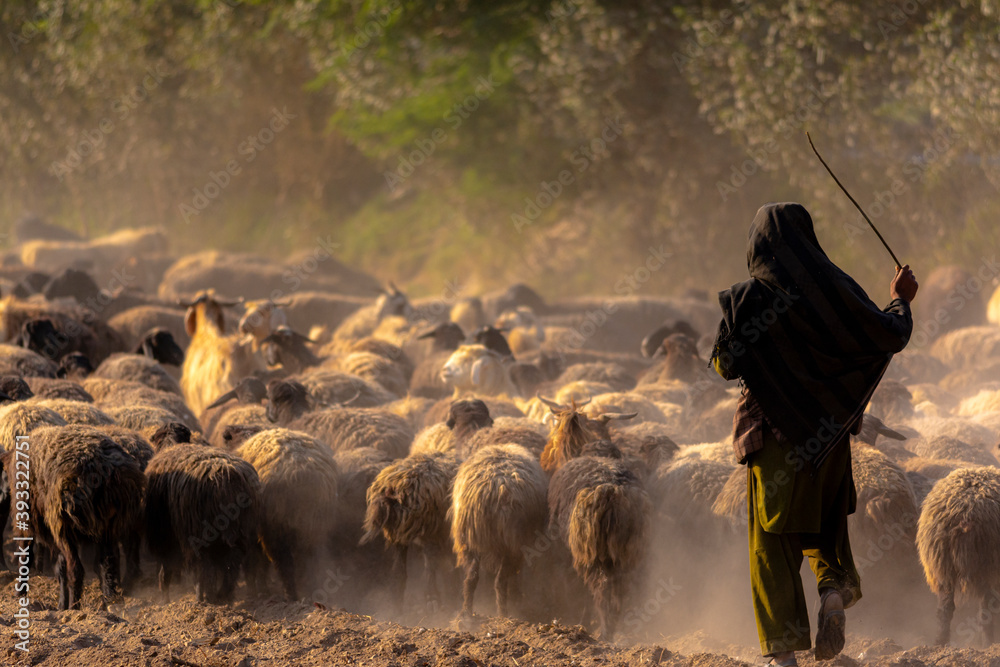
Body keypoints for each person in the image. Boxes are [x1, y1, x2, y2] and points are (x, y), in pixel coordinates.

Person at [710, 203, 918, 666]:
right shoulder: (838, 290)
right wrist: (901, 297)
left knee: (771, 546)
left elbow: (726, 365)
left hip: (774, 438)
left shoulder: (748, 299)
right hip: (829, 440)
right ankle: (832, 594)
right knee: (825, 530)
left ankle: (784, 657)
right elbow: (888, 333)